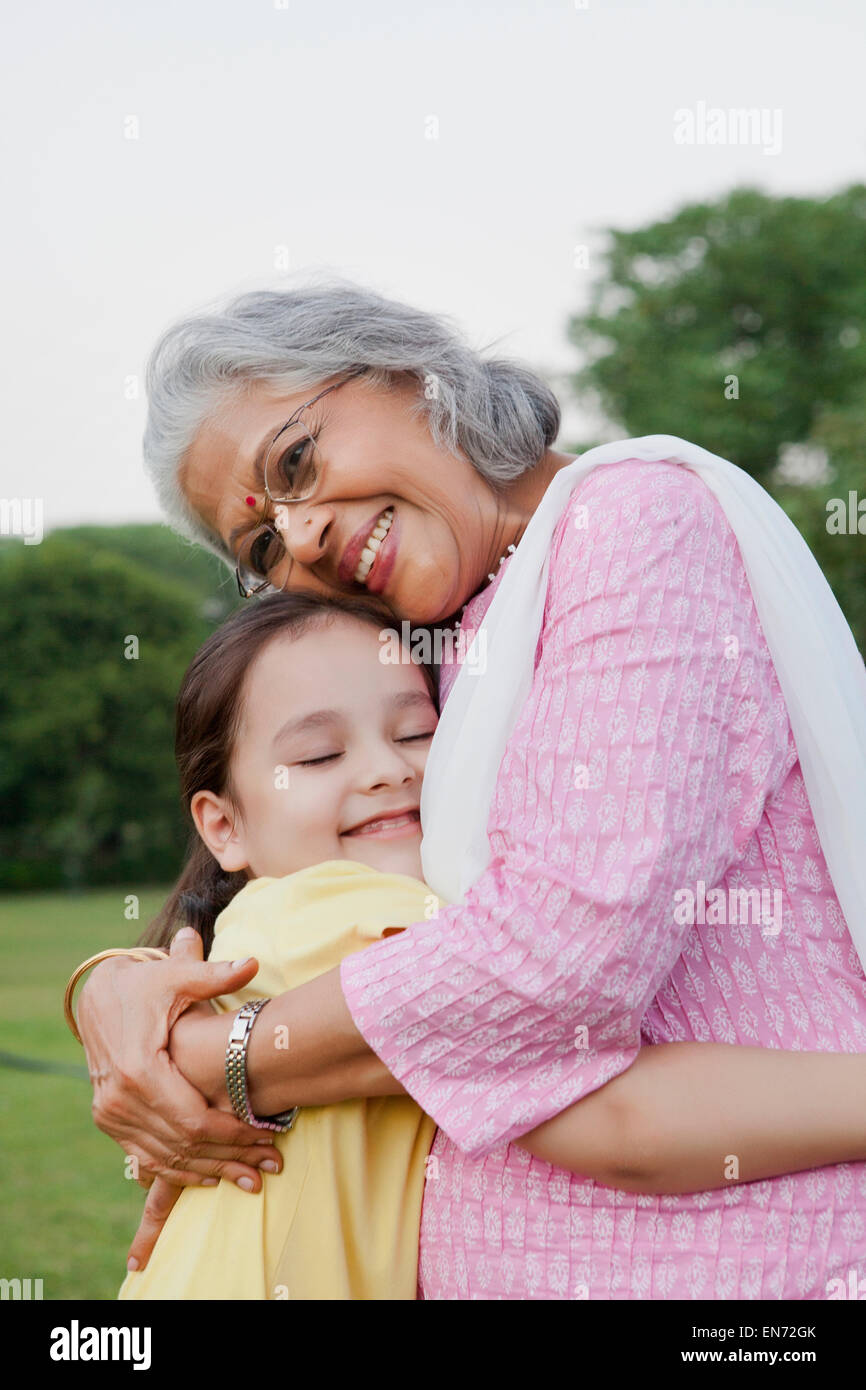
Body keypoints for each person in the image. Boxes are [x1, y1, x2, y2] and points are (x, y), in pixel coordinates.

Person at [78, 281, 866, 1299]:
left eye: (294, 463)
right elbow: (332, 891)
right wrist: (120, 987)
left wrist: (221, 1061)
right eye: (264, 548)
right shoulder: (447, 647)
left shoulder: (626, 525)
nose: (303, 535)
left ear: (408, 371)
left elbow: (555, 956)